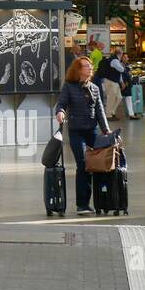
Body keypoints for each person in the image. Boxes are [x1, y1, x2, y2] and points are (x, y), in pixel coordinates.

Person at [55, 56, 110, 214]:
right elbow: (62, 104)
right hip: (76, 131)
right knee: (83, 164)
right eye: (86, 66)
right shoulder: (69, 87)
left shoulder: (94, 87)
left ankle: (102, 200)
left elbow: (100, 111)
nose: (90, 68)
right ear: (78, 70)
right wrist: (60, 113)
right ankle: (82, 204)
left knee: (100, 164)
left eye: (90, 66)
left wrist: (106, 130)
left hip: (92, 131)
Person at [99, 48, 128, 121]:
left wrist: (121, 82)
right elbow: (121, 70)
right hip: (110, 81)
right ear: (120, 54)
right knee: (111, 98)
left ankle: (112, 111)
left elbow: (119, 73)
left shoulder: (116, 60)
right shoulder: (114, 60)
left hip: (114, 81)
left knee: (119, 97)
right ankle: (108, 115)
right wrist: (124, 67)